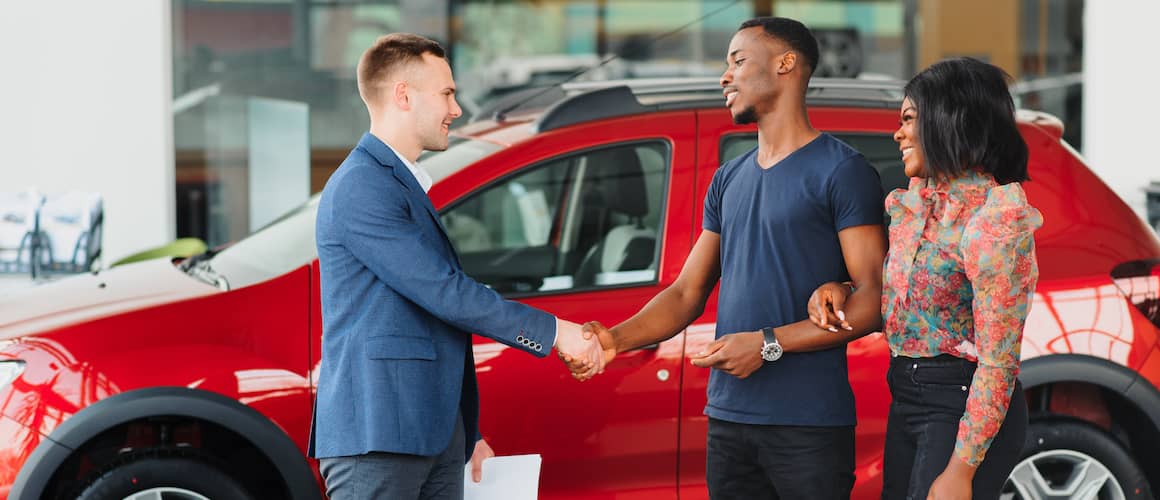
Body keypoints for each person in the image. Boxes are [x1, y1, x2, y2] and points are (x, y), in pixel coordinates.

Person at [574, 17, 888, 499]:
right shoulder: (729, 178)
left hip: (808, 427)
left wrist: (766, 344)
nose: (725, 76)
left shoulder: (842, 171)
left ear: (786, 64)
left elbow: (872, 300)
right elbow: (685, 293)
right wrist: (615, 338)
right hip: (728, 421)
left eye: (738, 61)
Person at [308, 33, 605, 500]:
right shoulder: (363, 186)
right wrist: (555, 332)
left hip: (430, 433)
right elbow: (443, 292)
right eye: (447, 93)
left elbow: (426, 316)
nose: (457, 109)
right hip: (378, 435)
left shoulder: (399, 182)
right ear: (403, 95)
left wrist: (467, 433)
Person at [808, 57, 1041, 500]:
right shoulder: (918, 203)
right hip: (907, 396)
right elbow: (901, 298)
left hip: (961, 406)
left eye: (909, 119)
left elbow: (999, 363)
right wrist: (840, 288)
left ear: (950, 119)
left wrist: (962, 469)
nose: (897, 133)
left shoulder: (994, 220)